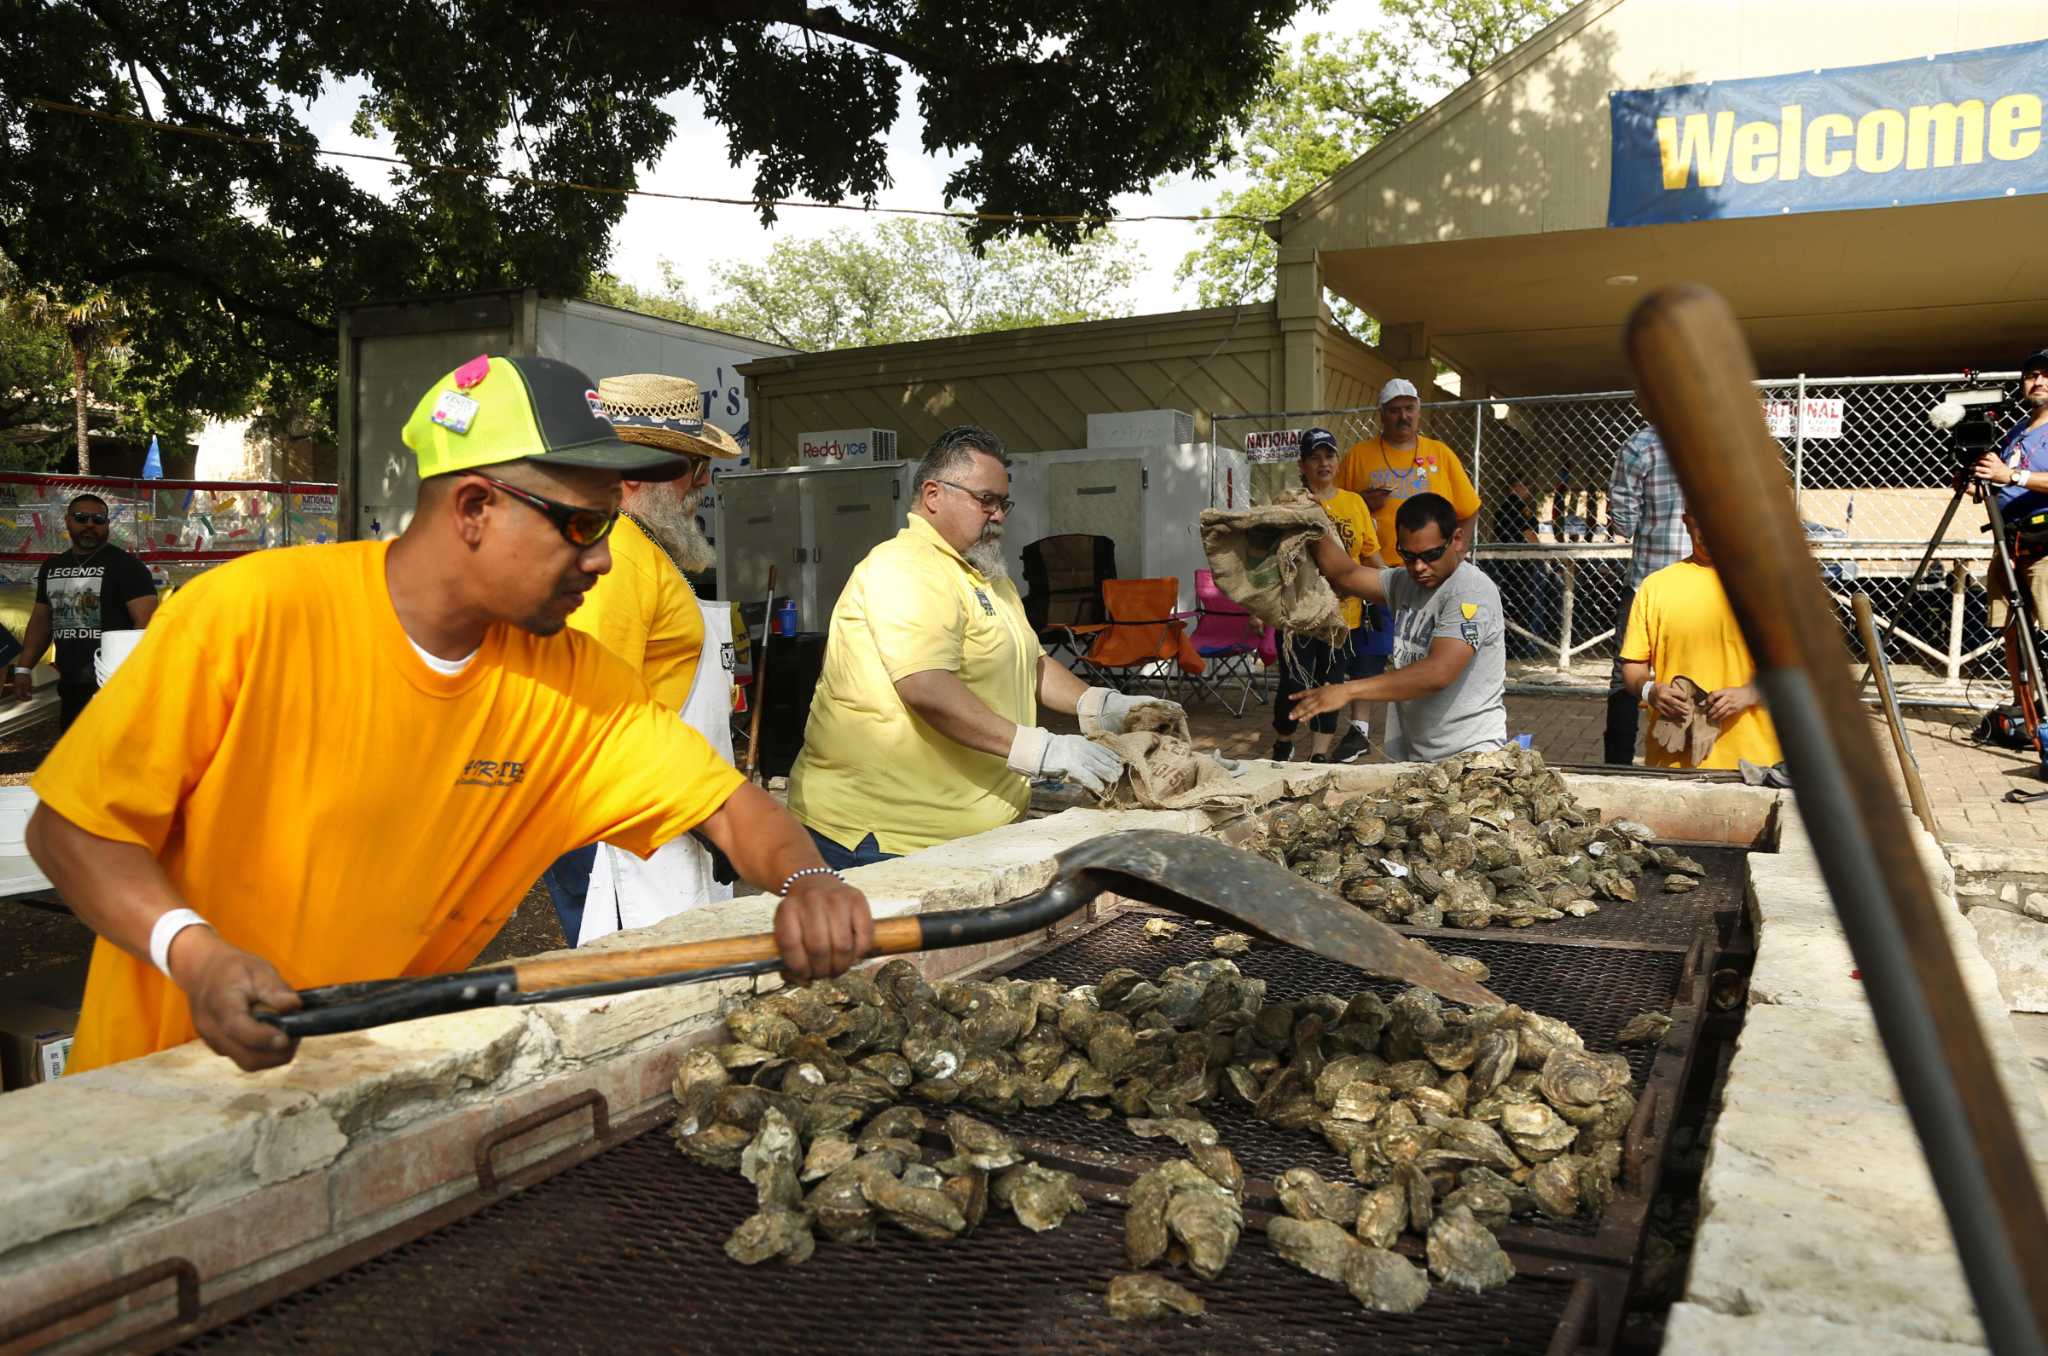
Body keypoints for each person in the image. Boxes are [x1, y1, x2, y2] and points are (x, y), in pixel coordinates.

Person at [27, 353, 874, 1074]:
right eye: (580, 525)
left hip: (363, 1085)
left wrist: (808, 880)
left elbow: (727, 806)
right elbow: (70, 829)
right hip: (165, 1085)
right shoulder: (248, 616)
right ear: (474, 509)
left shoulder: (571, 681)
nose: (604, 558)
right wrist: (194, 952)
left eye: (610, 525)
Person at [788, 425, 1173, 866]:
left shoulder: (987, 573)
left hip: (968, 830)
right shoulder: (905, 568)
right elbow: (927, 687)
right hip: (887, 837)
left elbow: (1031, 664)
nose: (999, 515)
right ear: (933, 495)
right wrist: (1042, 749)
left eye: (1003, 502)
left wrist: (1100, 704)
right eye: (985, 500)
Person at [543, 372, 747, 947]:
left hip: (663, 813)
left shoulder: (638, 546)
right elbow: (591, 717)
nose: (702, 485)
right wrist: (705, 816)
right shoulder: (619, 557)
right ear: (636, 470)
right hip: (624, 833)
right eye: (693, 466)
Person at [1291, 492, 1507, 763]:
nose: (1418, 567)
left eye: (1430, 555)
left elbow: (1438, 673)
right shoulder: (1404, 582)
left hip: (1470, 757)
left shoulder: (1470, 591)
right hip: (1415, 756)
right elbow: (1345, 575)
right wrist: (1313, 521)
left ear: (1457, 540)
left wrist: (1347, 690)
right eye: (1407, 555)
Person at [1336, 378, 1481, 758]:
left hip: (1435, 576)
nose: (1404, 416)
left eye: (1409, 408)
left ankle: (1438, 728)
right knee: (1369, 652)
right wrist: (1362, 501)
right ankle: (1360, 729)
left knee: (1426, 651)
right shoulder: (1359, 456)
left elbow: (1469, 508)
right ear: (1381, 414)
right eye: (1395, 409)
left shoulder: (1440, 453)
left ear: (1418, 411)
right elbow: (1335, 504)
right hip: (1381, 571)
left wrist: (1456, 555)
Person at [1617, 511, 1781, 770]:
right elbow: (1632, 667)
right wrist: (1651, 692)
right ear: (1686, 520)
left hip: (1754, 765)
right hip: (1671, 763)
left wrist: (1749, 693)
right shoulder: (1656, 587)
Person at [1270, 428, 1377, 762]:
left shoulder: (1354, 502)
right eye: (1314, 458)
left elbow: (1370, 553)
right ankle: (1284, 741)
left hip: (1342, 615)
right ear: (1302, 464)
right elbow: (1272, 560)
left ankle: (1318, 755)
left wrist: (1395, 584)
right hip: (1298, 612)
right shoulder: (1288, 504)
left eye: (1329, 456)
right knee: (1293, 682)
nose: (1323, 463)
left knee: (1331, 683)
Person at [12, 493, 159, 730]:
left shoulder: (127, 566)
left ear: (107, 525)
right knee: (76, 755)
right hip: (71, 680)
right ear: (68, 521)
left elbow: (146, 623)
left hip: (113, 681)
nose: (90, 524)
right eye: (81, 518)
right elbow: (42, 620)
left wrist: (131, 678)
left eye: (98, 519)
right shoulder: (52, 567)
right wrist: (23, 668)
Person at [1603, 425, 1690, 764]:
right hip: (1705, 582)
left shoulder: (1640, 444)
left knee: (1626, 673)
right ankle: (1688, 760)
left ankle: (1618, 764)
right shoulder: (1721, 435)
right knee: (1695, 666)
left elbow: (1624, 522)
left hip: (1649, 579)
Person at [1971, 348, 2048, 638]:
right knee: (2012, 633)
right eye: (2031, 376)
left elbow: (2013, 476)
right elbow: (2006, 482)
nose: (2038, 381)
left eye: (2046, 375)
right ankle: (2021, 687)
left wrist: (2013, 475)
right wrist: (1978, 483)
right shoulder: (2016, 431)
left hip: (2044, 547)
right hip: (2010, 544)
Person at [1489, 479, 1551, 660]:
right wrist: (1541, 555)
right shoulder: (1520, 508)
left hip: (1505, 562)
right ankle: (1531, 644)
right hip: (1524, 561)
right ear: (1515, 487)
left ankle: (1512, 643)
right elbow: (1529, 533)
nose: (1527, 490)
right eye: (1525, 486)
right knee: (1532, 602)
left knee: (1510, 602)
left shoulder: (1501, 509)